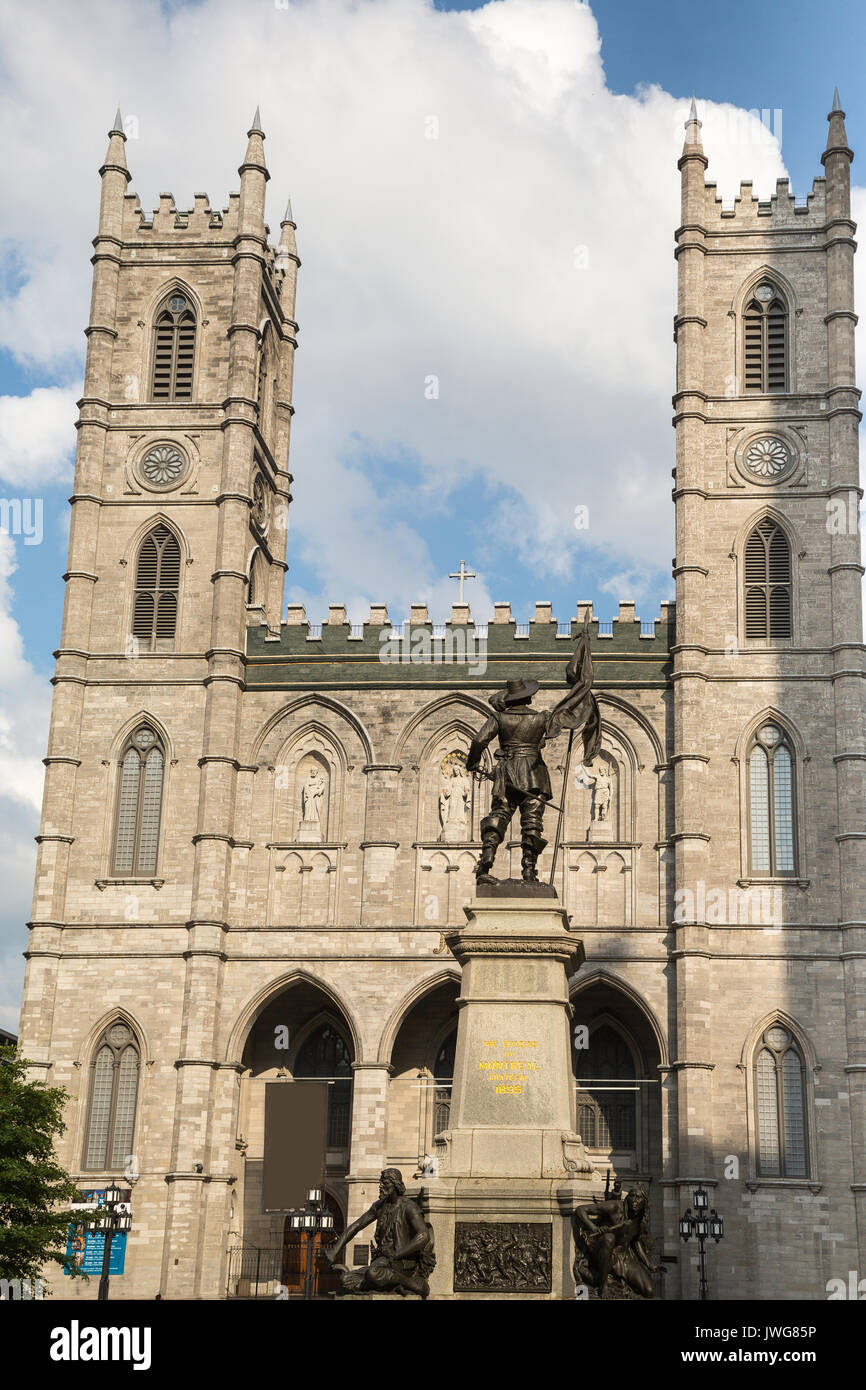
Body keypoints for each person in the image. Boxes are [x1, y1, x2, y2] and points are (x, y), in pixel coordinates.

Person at [326, 1168, 435, 1297]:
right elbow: (356, 1225)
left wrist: (397, 1254)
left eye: (385, 1183)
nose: (381, 1186)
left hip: (401, 1263)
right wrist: (335, 1250)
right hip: (382, 1262)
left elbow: (423, 1235)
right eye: (381, 1183)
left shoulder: (408, 1207)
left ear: (395, 1185)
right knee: (346, 1279)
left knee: (373, 1273)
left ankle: (411, 1283)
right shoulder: (379, 1206)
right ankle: (394, 1285)